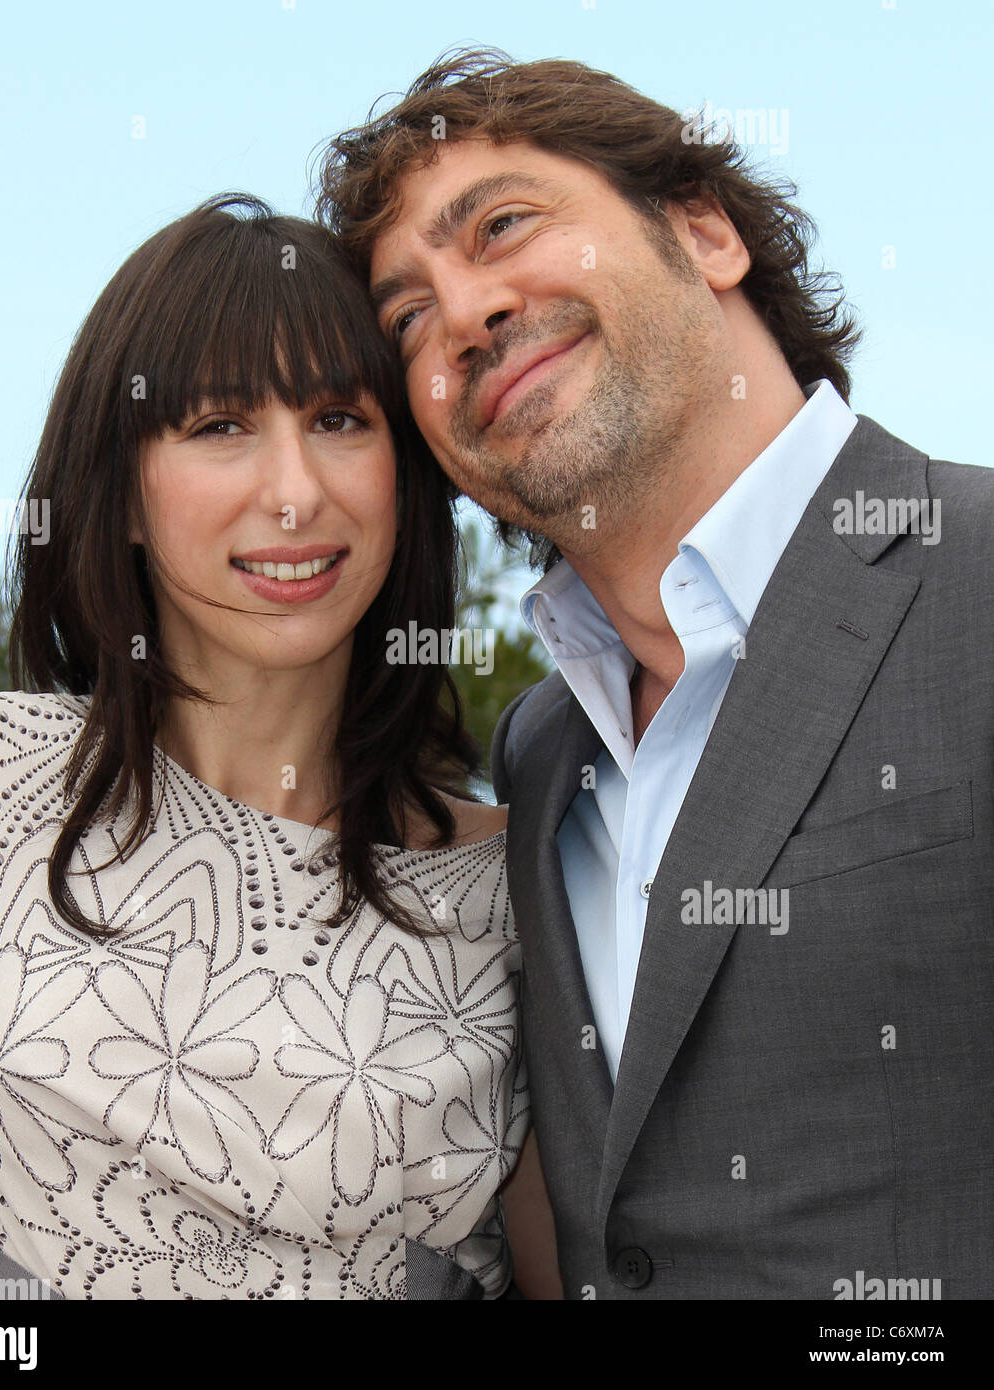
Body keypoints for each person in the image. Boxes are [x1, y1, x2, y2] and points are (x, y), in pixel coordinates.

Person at [314, 48, 994, 1298]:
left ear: (704, 229)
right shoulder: (533, 757)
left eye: (505, 225)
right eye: (407, 317)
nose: (462, 317)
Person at [0, 192, 562, 1300]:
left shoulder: (516, 884)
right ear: (126, 494)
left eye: (341, 420)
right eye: (219, 426)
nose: (294, 493)